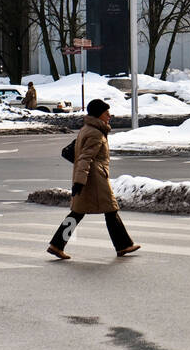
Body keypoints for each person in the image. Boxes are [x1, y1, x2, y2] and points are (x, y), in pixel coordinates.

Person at [48, 99, 140, 261]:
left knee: (79, 213)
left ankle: (57, 245)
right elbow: (85, 157)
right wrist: (79, 181)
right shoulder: (95, 133)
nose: (109, 116)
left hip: (90, 178)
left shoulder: (88, 129)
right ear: (99, 115)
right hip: (94, 179)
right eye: (106, 113)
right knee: (110, 211)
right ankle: (123, 245)